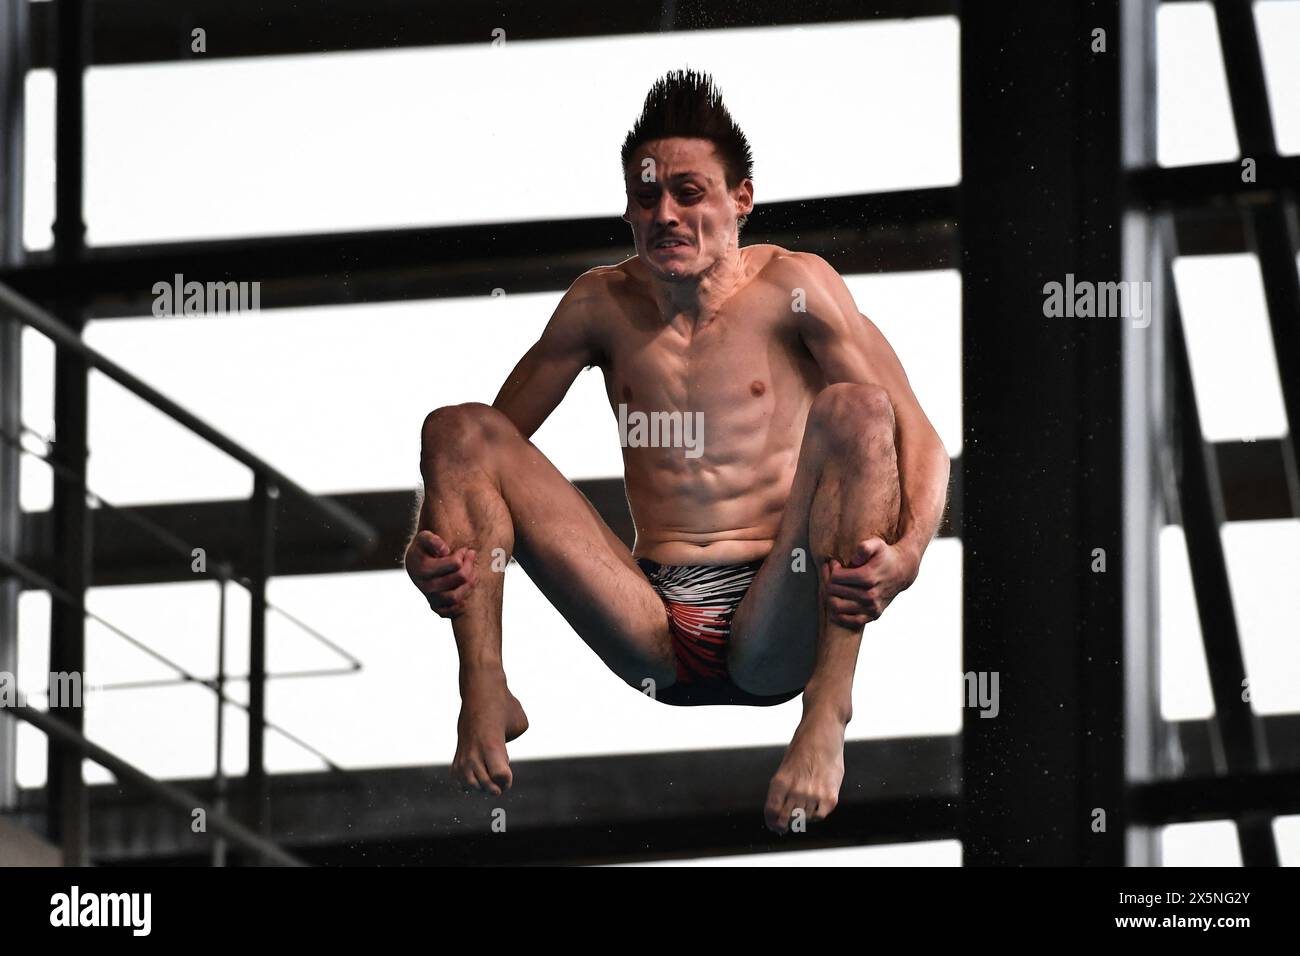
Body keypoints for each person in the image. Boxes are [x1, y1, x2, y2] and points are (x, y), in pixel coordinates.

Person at [405, 68, 950, 833]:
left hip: (778, 614)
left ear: (741, 201)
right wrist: (423, 550)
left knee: (858, 409)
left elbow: (918, 437)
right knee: (453, 427)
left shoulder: (798, 289)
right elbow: (476, 461)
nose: (665, 213)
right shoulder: (599, 305)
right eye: (646, 196)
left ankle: (828, 713)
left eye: (689, 193)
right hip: (649, 621)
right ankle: (485, 685)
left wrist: (911, 553)